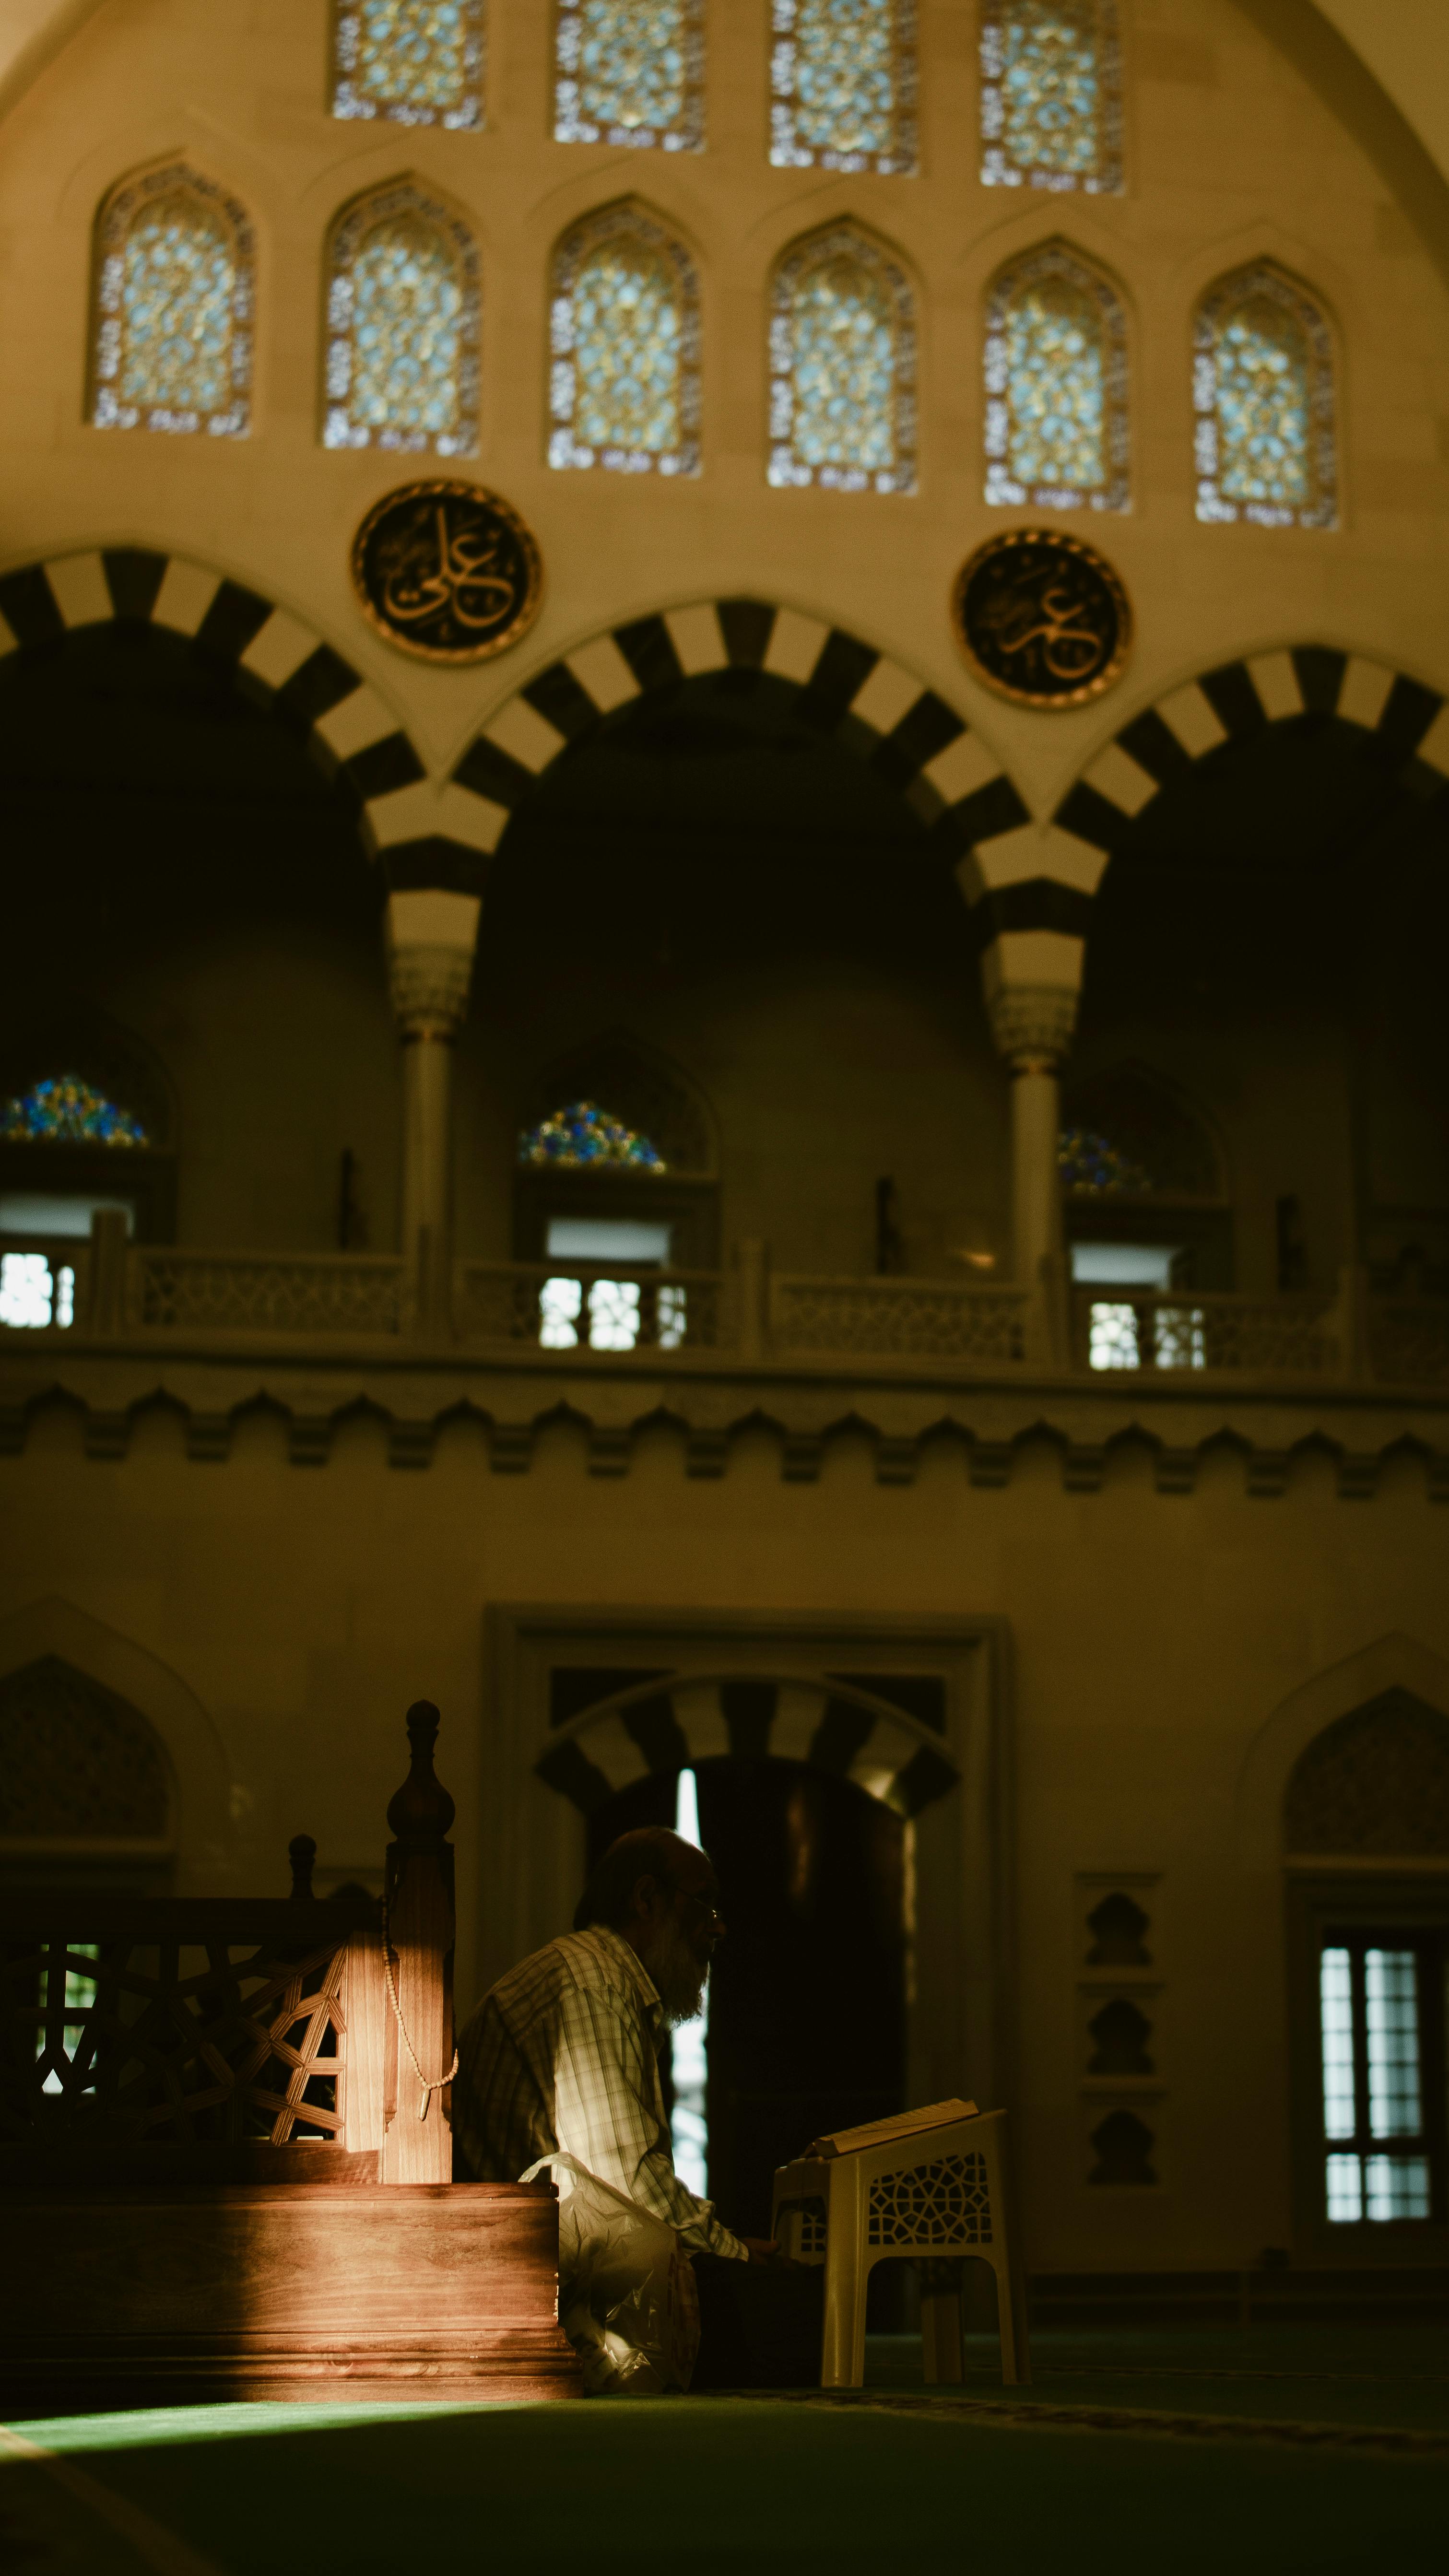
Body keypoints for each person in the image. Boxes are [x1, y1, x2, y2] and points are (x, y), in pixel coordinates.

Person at [454, 1823, 780, 2394]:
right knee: (773, 2311)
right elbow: (630, 2190)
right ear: (647, 1898)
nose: (718, 1926)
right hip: (519, 2279)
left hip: (540, 2263)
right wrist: (737, 2253)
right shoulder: (594, 1983)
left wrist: (726, 2244)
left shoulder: (606, 1978)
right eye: (704, 1901)